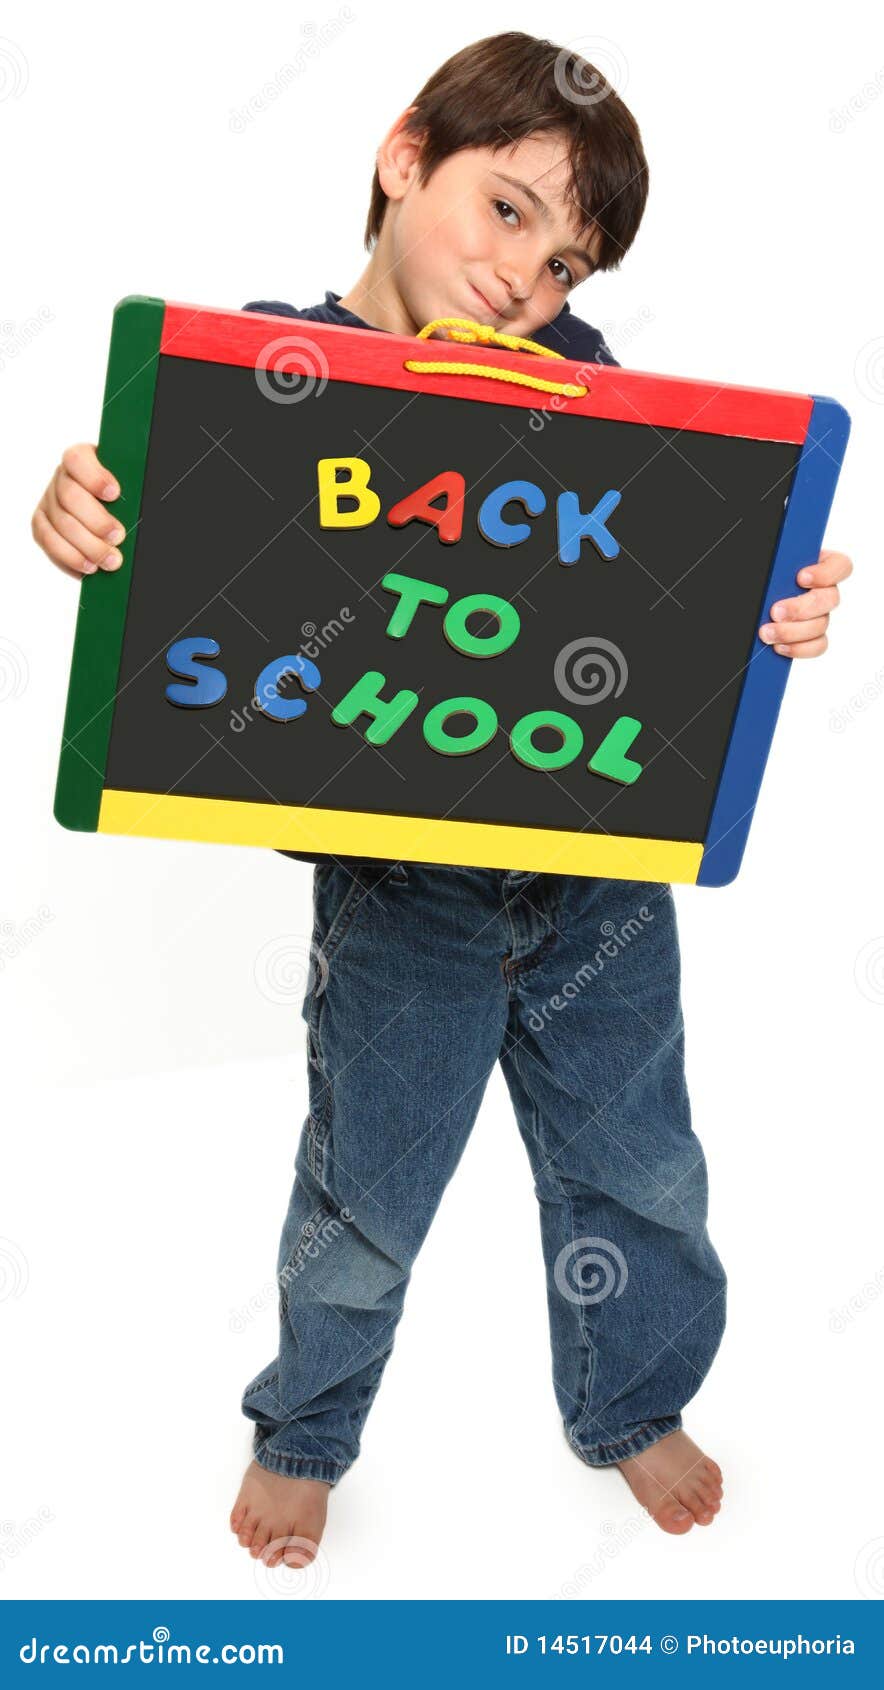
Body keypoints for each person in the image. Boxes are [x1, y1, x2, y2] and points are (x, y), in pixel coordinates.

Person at [31, 33, 852, 1571]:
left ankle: (632, 1397)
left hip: (597, 877)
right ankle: (310, 1429)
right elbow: (177, 540)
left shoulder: (588, 388)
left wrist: (772, 608)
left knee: (646, 1166)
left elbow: (665, 595)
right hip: (400, 889)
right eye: (507, 211)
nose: (529, 279)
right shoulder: (267, 371)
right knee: (369, 1183)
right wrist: (86, 513)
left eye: (568, 258)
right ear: (406, 155)